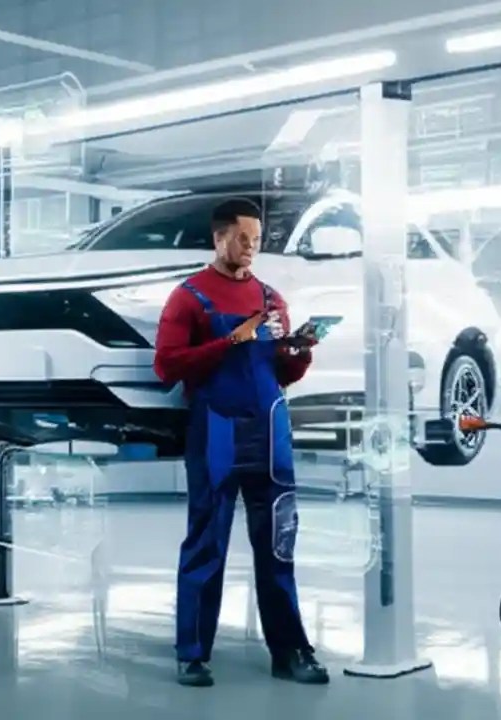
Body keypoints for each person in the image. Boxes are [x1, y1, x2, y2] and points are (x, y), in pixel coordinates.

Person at [153, 197, 329, 688]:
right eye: (242, 238)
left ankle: (289, 651)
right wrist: (231, 340)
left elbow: (284, 373)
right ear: (219, 238)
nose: (251, 247)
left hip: (270, 431)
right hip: (216, 432)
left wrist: (299, 352)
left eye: (257, 239)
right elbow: (166, 366)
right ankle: (192, 654)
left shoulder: (272, 299)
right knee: (206, 543)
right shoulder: (188, 298)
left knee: (279, 543)